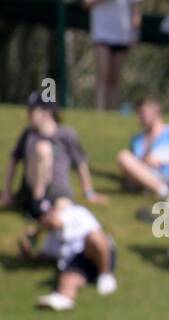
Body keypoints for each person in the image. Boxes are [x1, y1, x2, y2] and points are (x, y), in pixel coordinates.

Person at [3, 94, 103, 229]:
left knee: (63, 213)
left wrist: (89, 192)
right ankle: (36, 205)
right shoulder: (28, 134)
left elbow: (80, 163)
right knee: (42, 149)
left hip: (58, 190)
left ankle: (43, 225)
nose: (28, 115)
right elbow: (13, 160)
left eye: (32, 111)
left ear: (47, 112)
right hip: (31, 191)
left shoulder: (66, 134)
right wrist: (6, 193)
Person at [79, 0, 145, 112]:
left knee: (115, 77)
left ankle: (112, 111)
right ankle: (99, 110)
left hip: (123, 33)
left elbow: (136, 7)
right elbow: (86, 2)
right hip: (102, 32)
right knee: (103, 74)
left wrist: (134, 32)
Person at [32, 198, 119, 312]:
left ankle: (105, 275)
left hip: (98, 253)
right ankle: (64, 298)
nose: (50, 218)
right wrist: (28, 253)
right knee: (67, 278)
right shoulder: (50, 239)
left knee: (93, 238)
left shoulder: (76, 212)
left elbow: (97, 237)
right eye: (45, 218)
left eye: (51, 213)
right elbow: (45, 256)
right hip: (78, 261)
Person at [116, 97, 169, 201]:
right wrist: (146, 162)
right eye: (138, 113)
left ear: (156, 112)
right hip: (151, 176)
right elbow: (134, 167)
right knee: (123, 156)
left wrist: (162, 161)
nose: (139, 117)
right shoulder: (137, 140)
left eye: (142, 112)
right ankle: (165, 192)